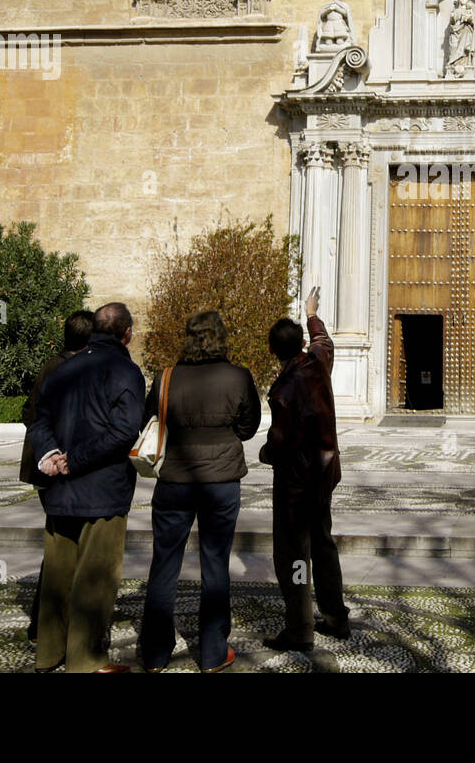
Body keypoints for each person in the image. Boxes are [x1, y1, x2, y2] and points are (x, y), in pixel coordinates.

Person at [138, 310, 261, 674]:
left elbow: (149, 420)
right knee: (215, 563)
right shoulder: (238, 376)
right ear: (221, 337)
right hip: (221, 482)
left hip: (174, 480)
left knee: (164, 564)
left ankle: (156, 654)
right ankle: (212, 652)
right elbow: (249, 426)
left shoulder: (166, 377)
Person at [26, 302, 145, 673]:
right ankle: (86, 661)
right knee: (95, 579)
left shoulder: (63, 367)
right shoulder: (126, 371)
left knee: (57, 579)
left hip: (59, 488)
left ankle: (48, 654)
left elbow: (37, 418)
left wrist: (50, 456)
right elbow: (124, 433)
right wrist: (71, 460)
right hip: (101, 493)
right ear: (126, 334)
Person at [259, 286, 349, 651]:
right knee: (324, 546)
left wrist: (265, 452)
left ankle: (299, 628)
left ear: (272, 351)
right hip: (325, 476)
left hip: (296, 484)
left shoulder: (283, 391)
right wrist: (311, 313)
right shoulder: (317, 363)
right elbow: (324, 340)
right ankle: (335, 616)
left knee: (295, 555)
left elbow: (279, 444)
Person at [19, 308, 95, 643]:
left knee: (60, 541)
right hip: (63, 467)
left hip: (47, 466)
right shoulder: (78, 369)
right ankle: (56, 623)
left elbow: (30, 412)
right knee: (67, 544)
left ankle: (45, 624)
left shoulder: (51, 365)